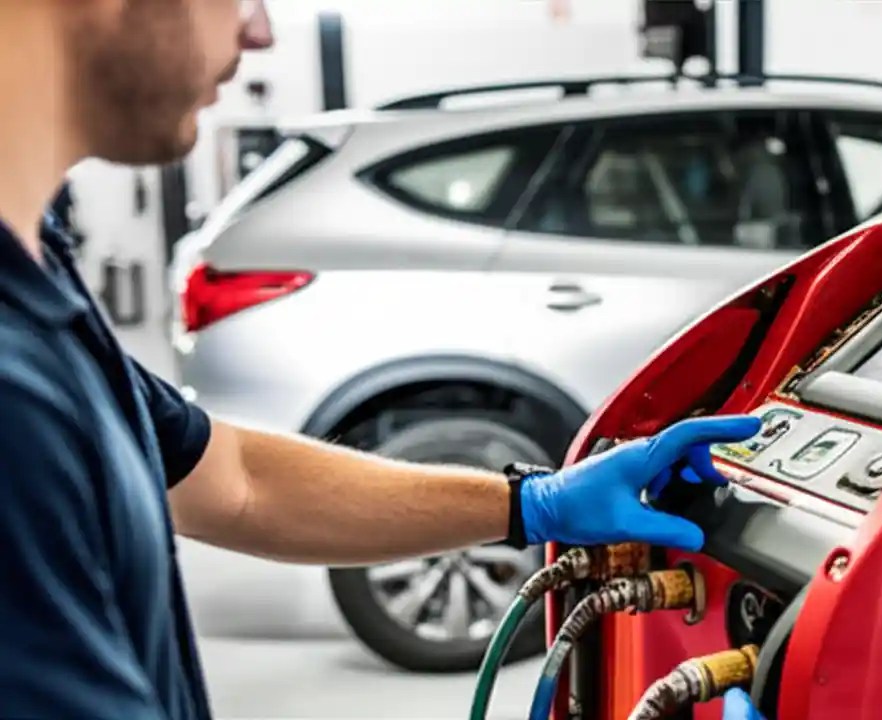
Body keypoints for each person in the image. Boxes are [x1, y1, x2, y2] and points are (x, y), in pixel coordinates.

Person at [0, 1, 769, 718]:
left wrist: (532, 504)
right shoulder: (14, 393)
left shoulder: (40, 273)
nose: (259, 31)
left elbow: (232, 481)